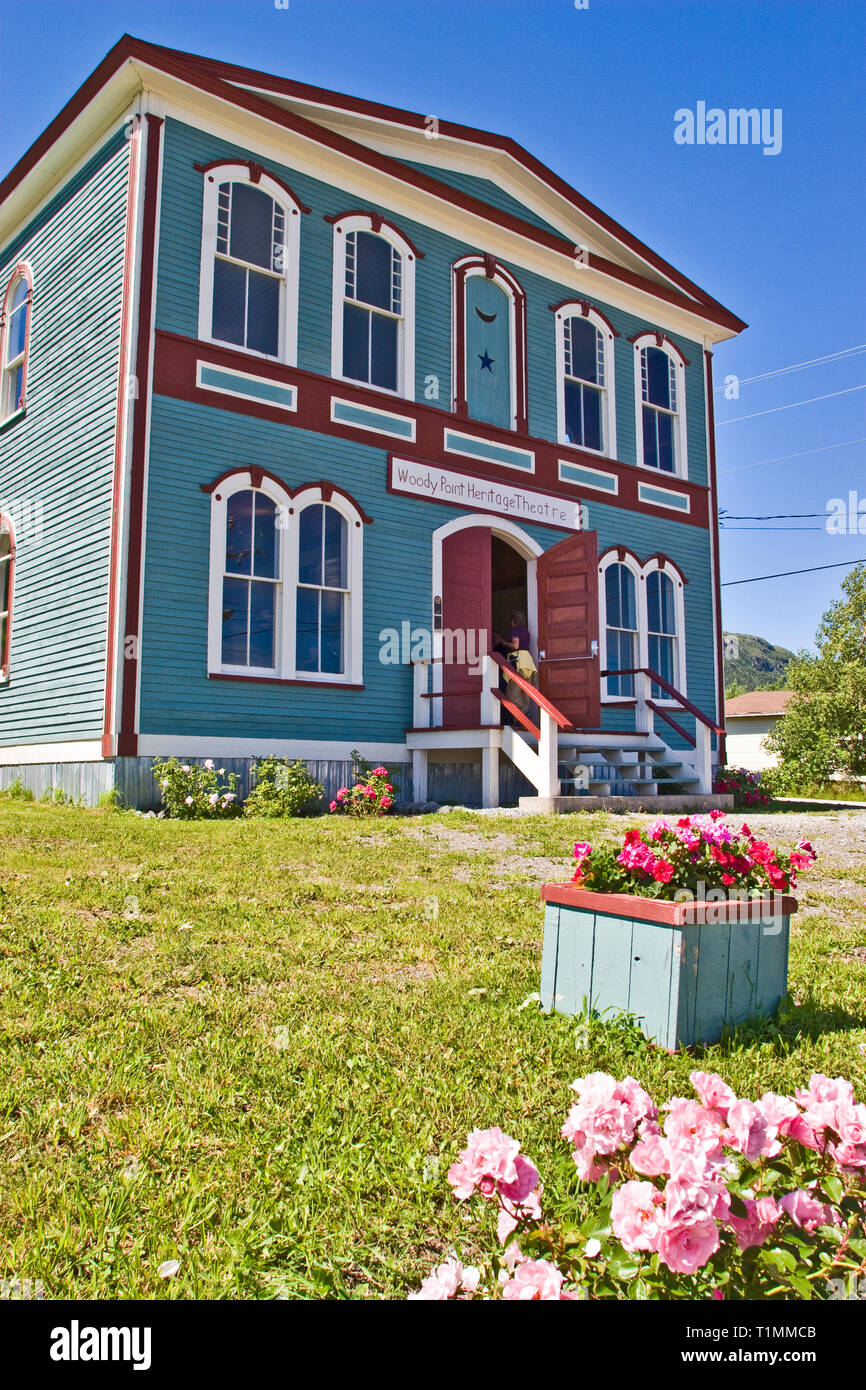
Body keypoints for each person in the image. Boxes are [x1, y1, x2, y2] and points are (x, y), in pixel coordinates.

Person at [506, 611, 537, 717]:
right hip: (528, 662)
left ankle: (523, 713)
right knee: (525, 693)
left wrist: (504, 642)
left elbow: (515, 646)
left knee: (512, 693)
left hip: (518, 662)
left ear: (513, 621)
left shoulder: (515, 630)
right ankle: (522, 716)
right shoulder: (526, 631)